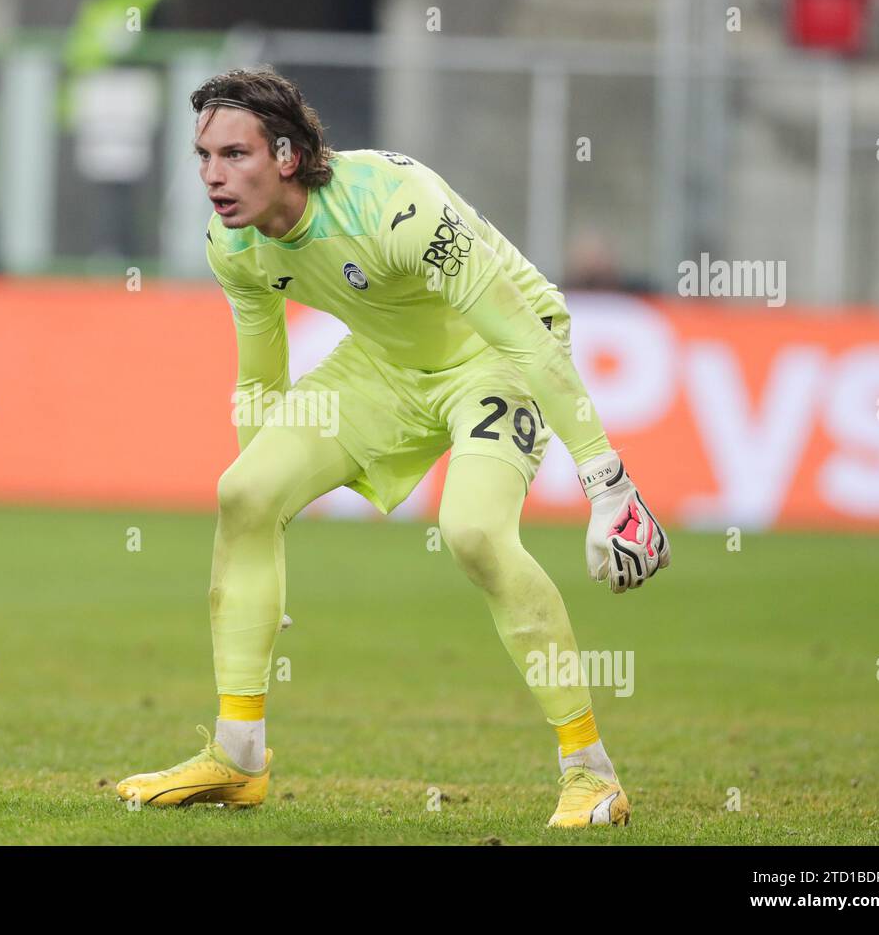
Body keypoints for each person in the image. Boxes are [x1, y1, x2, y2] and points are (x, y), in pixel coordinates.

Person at [116, 68, 670, 828]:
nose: (214, 175)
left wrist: (609, 485)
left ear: (285, 156)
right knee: (241, 494)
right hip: (386, 365)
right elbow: (261, 377)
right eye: (204, 156)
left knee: (474, 532)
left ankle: (591, 773)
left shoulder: (394, 207)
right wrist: (266, 520)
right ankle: (238, 758)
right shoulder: (234, 243)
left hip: (496, 357)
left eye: (234, 155)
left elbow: (530, 342)